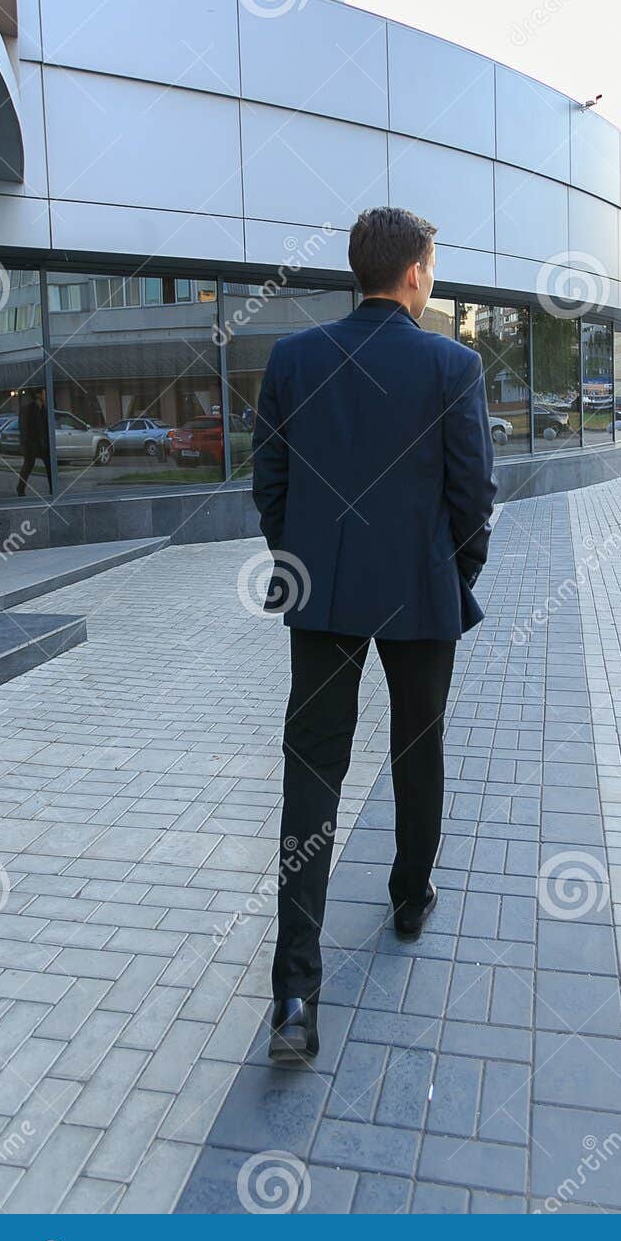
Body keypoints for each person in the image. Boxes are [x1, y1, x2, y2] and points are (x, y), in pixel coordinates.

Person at [252, 207, 496, 1064]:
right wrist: (454, 575)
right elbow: (473, 496)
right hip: (421, 596)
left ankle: (294, 995)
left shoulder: (293, 358)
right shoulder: (452, 364)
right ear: (416, 274)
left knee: (312, 771)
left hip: (320, 599)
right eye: (432, 267)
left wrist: (302, 565)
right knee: (416, 748)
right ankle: (407, 897)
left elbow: (269, 483)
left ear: (358, 270)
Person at [17, 386, 51, 496]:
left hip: (44, 443)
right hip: (32, 443)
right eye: (44, 393)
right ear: (38, 395)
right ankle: (20, 488)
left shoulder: (45, 410)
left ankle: (53, 489)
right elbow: (23, 428)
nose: (46, 396)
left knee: (50, 466)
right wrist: (24, 444)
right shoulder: (28, 410)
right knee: (28, 466)